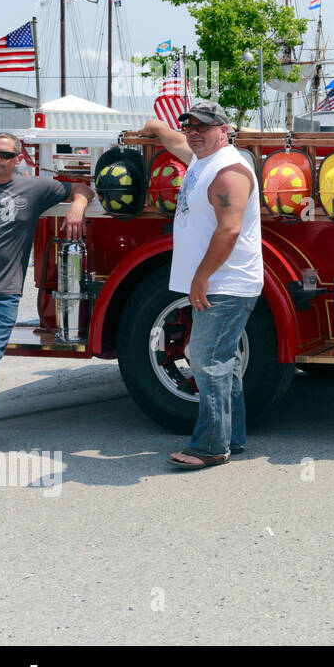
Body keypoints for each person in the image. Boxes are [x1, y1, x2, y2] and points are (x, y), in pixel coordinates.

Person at [139, 103, 262, 470]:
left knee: (207, 361)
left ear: (225, 130)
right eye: (189, 125)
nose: (194, 132)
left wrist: (201, 276)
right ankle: (231, 437)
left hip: (226, 283)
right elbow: (176, 141)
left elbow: (230, 229)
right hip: (220, 282)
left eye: (203, 126)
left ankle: (210, 446)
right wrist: (156, 126)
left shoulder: (229, 172)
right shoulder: (202, 158)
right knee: (224, 360)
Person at [0, 132, 93, 465]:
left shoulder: (33, 188)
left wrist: (76, 208)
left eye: (5, 155)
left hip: (2, 295)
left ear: (18, 159)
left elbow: (82, 188)